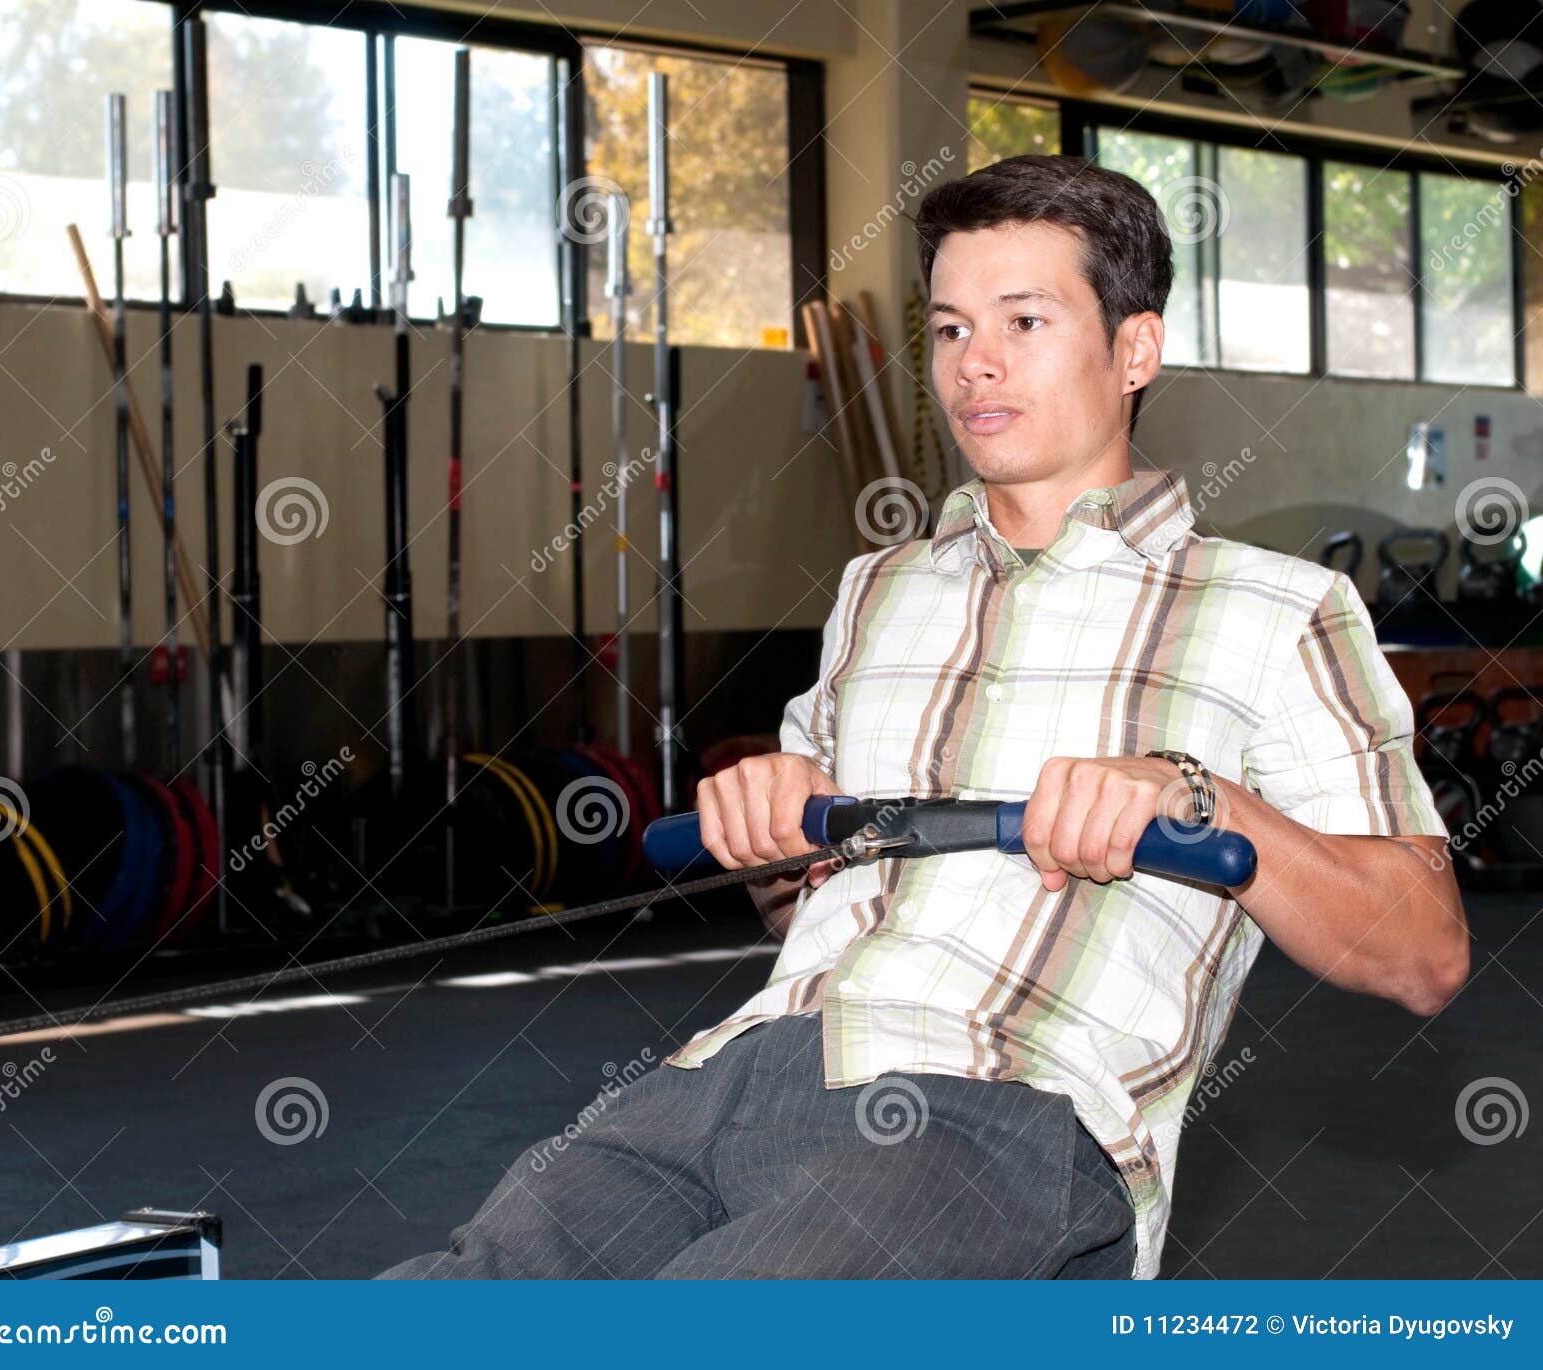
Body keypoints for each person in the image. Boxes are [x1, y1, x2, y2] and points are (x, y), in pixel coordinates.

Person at [377, 155, 1467, 1281]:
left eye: (1023, 319)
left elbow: (1422, 952)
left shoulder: (1280, 608)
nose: (974, 363)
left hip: (988, 1112)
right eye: (948, 329)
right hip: (726, 1077)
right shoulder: (877, 589)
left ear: (1133, 348)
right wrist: (772, 828)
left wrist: (1196, 795)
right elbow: (812, 895)